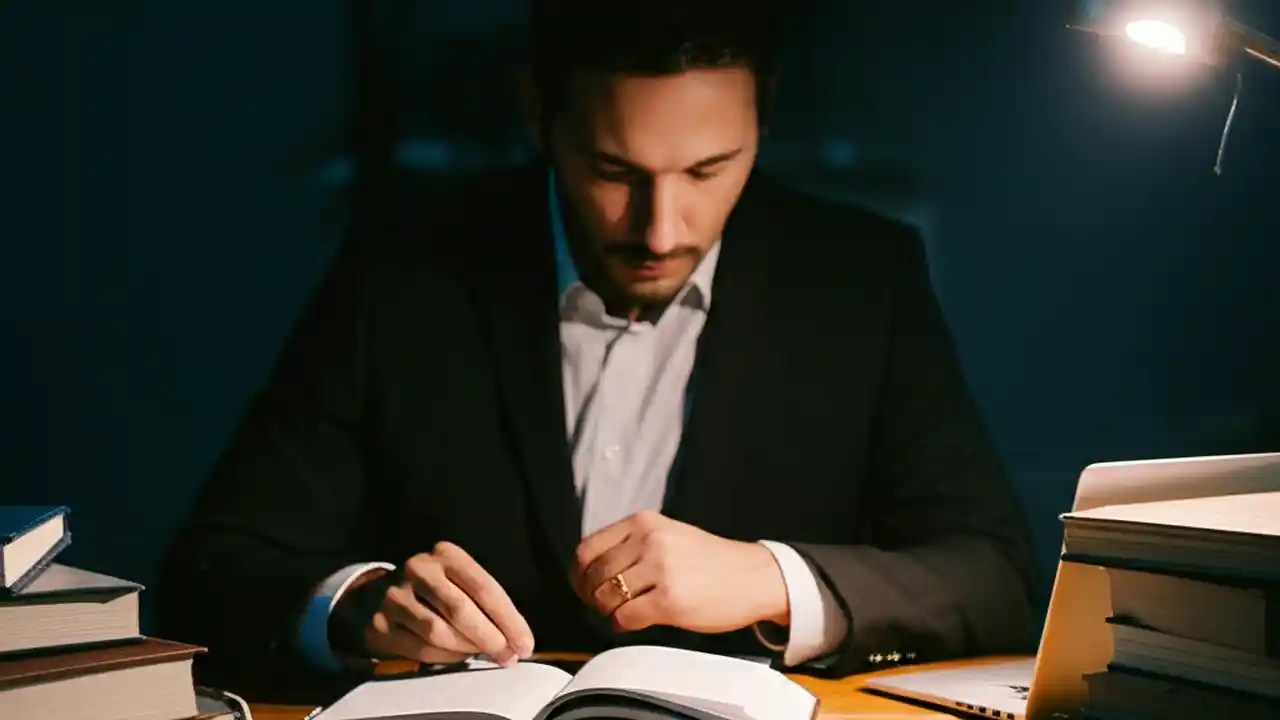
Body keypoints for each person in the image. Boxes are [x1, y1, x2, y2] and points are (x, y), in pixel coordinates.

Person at [156, 0, 1037, 688]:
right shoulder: (400, 274)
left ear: (762, 117)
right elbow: (210, 571)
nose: (661, 230)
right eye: (615, 173)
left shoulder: (863, 277)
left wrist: (767, 578)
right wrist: (357, 605)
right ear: (540, 113)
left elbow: (996, 577)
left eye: (708, 170)